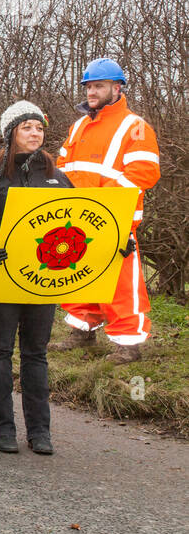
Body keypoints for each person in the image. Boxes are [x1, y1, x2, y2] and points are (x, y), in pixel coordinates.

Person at [0, 101, 71, 455]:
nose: (35, 133)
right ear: (11, 132)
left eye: (40, 128)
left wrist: (115, 242)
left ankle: (40, 431)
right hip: (0, 275)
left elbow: (78, 223)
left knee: (36, 353)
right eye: (27, 127)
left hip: (45, 279)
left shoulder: (58, 178)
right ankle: (3, 428)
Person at [53, 59, 161, 362]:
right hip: (77, 217)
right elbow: (64, 169)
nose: (91, 92)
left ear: (117, 87)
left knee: (122, 283)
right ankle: (82, 330)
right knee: (78, 274)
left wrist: (102, 203)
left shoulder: (135, 126)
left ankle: (128, 345)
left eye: (98, 86)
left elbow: (144, 172)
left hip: (115, 218)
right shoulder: (79, 126)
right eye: (88, 86)